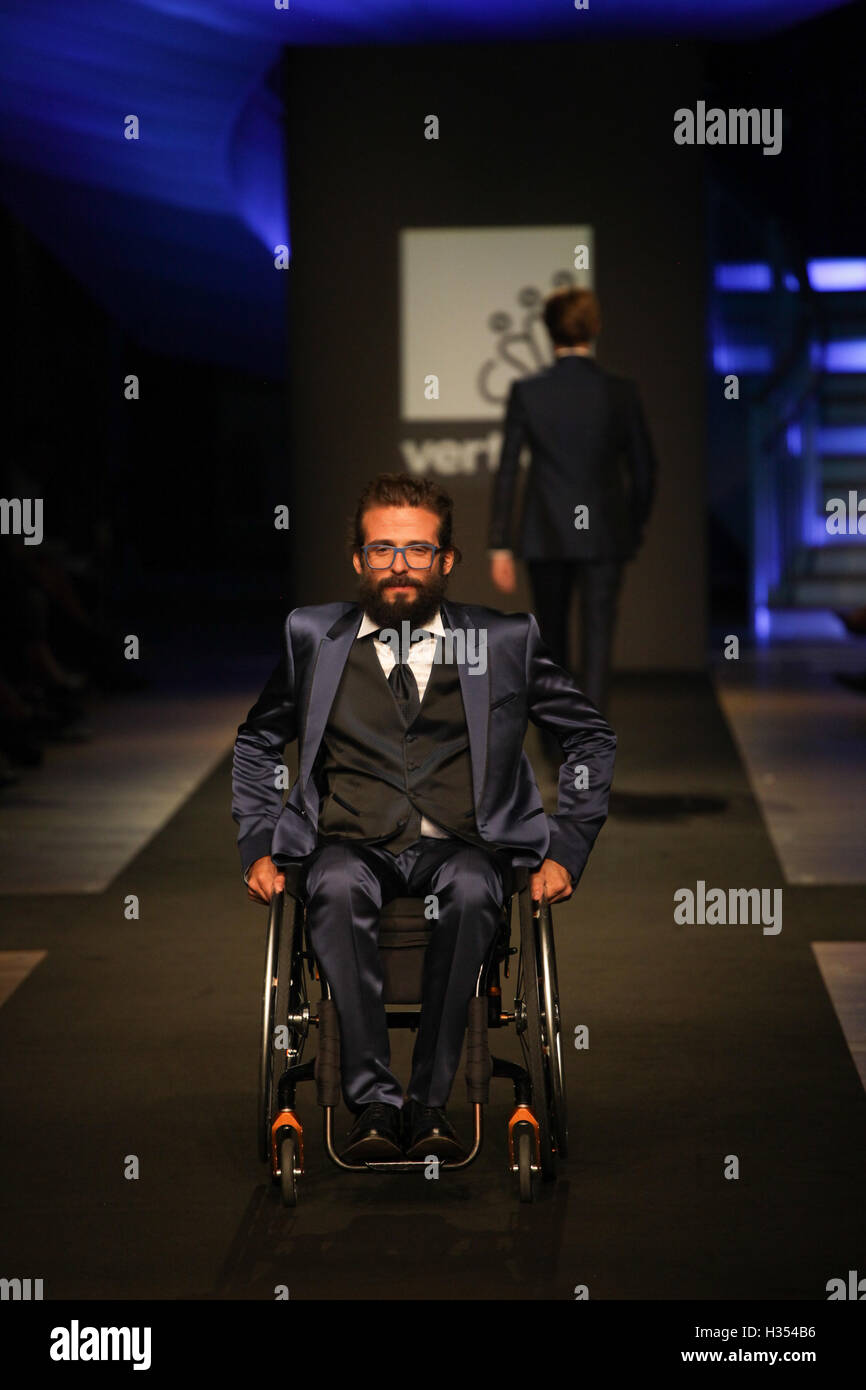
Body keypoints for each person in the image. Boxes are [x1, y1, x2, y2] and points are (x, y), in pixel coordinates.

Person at [232, 473, 615, 1164]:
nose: (400, 566)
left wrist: (567, 846)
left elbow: (590, 736)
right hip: (349, 841)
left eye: (417, 550)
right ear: (358, 559)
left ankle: (431, 1102)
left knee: (472, 892)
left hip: (464, 844)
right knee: (337, 886)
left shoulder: (503, 641)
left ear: (447, 560)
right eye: (383, 550)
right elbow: (259, 740)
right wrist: (259, 842)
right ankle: (374, 1102)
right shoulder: (313, 638)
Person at [488, 286, 657, 720]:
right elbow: (645, 469)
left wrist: (499, 542)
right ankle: (590, 749)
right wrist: (631, 527)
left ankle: (558, 747)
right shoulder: (620, 392)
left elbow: (507, 468)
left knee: (552, 643)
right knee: (599, 641)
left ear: (547, 331)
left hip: (546, 534)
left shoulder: (529, 391)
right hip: (604, 535)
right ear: (595, 328)